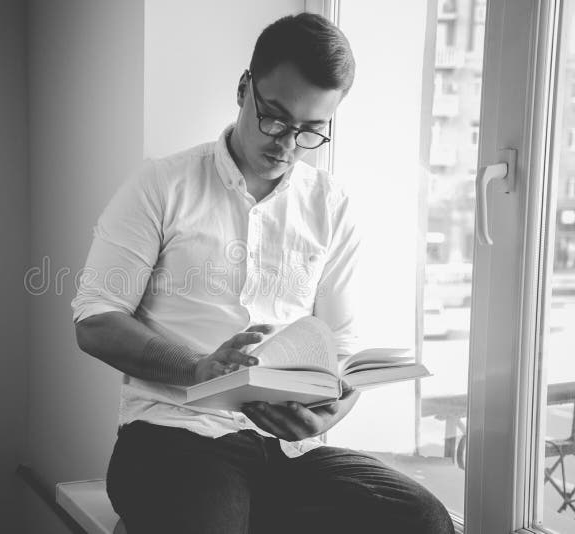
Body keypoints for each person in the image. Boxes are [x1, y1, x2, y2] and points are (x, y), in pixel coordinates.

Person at [71, 12, 454, 534]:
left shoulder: (332, 206)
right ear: (243, 88)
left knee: (423, 520)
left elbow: (342, 351)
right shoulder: (161, 185)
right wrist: (198, 368)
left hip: (288, 453)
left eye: (310, 131)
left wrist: (328, 413)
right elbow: (95, 320)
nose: (287, 144)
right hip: (173, 434)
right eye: (274, 118)